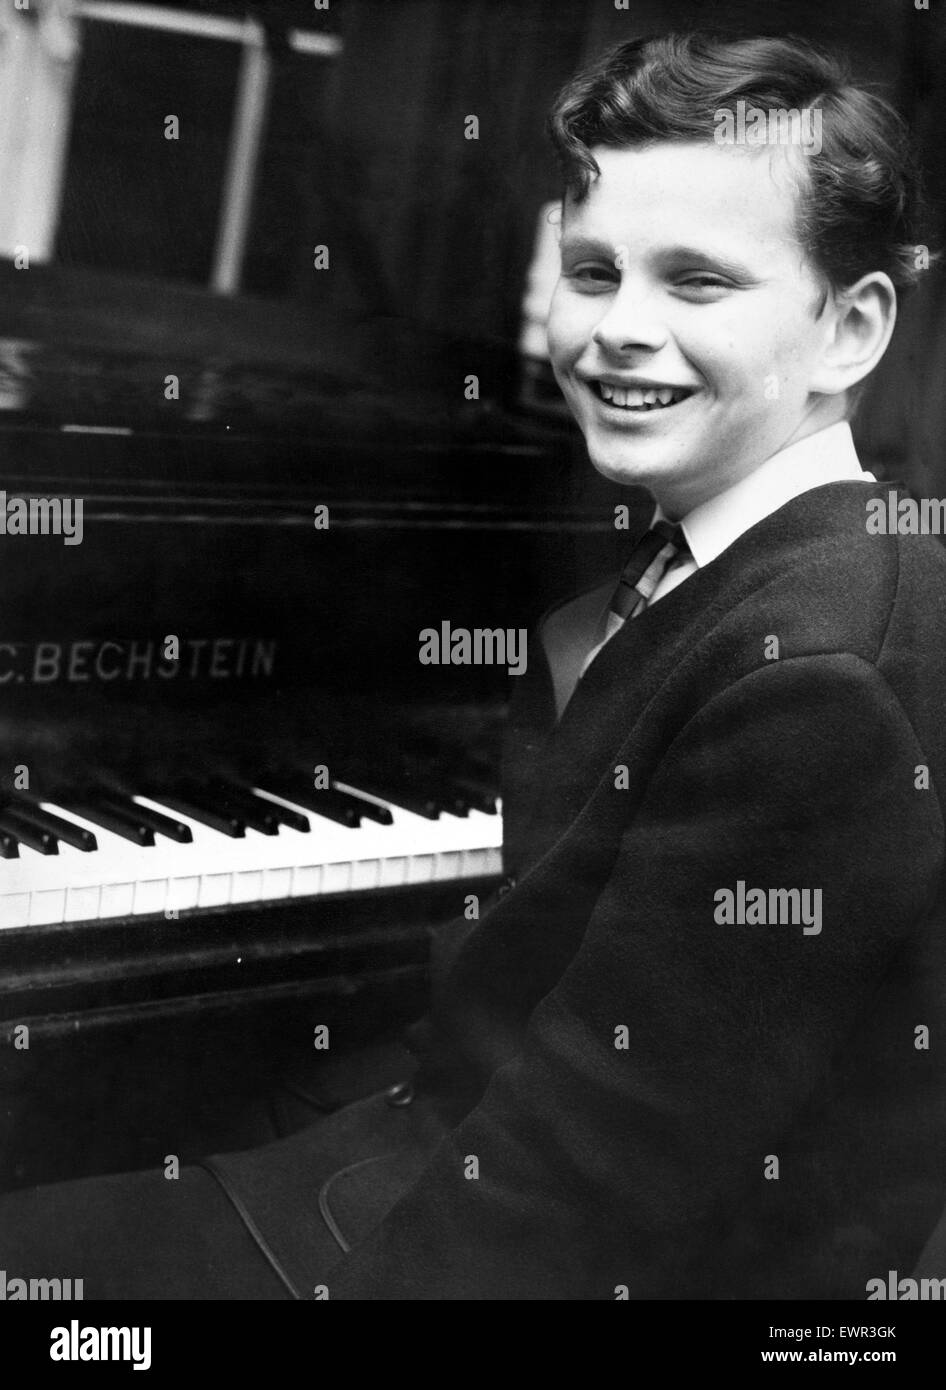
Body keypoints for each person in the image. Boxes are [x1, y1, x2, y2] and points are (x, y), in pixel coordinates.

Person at [3, 29, 946, 1301]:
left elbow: (583, 1197)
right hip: (440, 1138)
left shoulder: (817, 678)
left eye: (698, 283)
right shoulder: (760, 564)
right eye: (594, 271)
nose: (619, 330)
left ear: (852, 327)